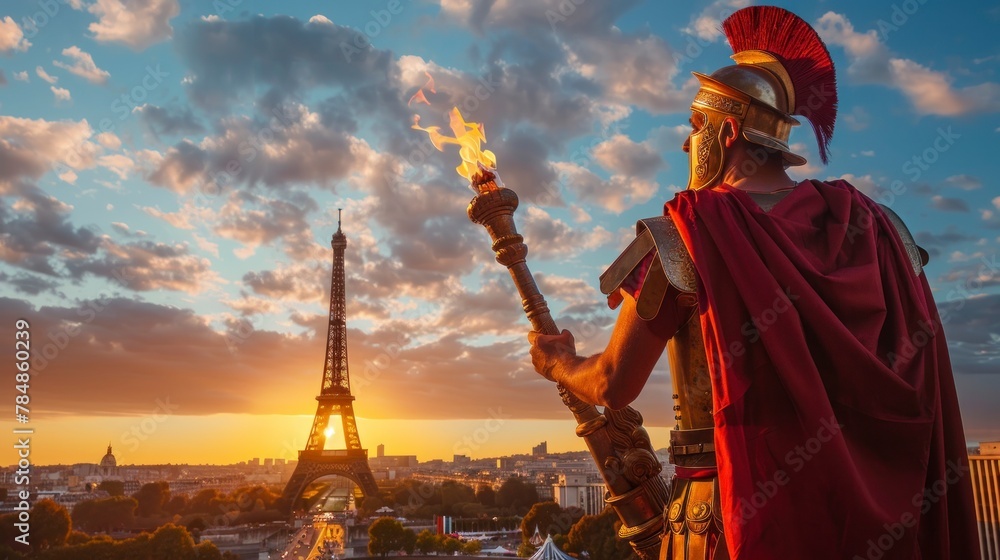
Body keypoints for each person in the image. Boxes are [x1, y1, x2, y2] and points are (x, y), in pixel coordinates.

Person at [527, 6, 979, 560]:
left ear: (728, 131)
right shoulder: (880, 229)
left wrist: (558, 363)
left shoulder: (687, 234)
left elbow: (613, 385)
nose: (686, 145)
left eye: (695, 128)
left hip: (728, 516)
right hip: (880, 519)